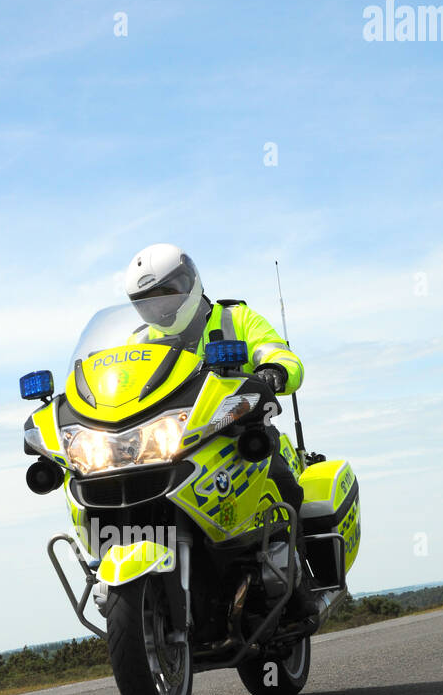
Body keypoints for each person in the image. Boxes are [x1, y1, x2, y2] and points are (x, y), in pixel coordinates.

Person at [125, 243, 319, 620]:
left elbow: (281, 354)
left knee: (280, 482)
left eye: (167, 294)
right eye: (148, 301)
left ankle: (299, 585)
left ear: (190, 284)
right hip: (173, 446)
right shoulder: (139, 343)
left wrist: (273, 371)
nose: (160, 307)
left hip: (239, 433)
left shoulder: (237, 318)